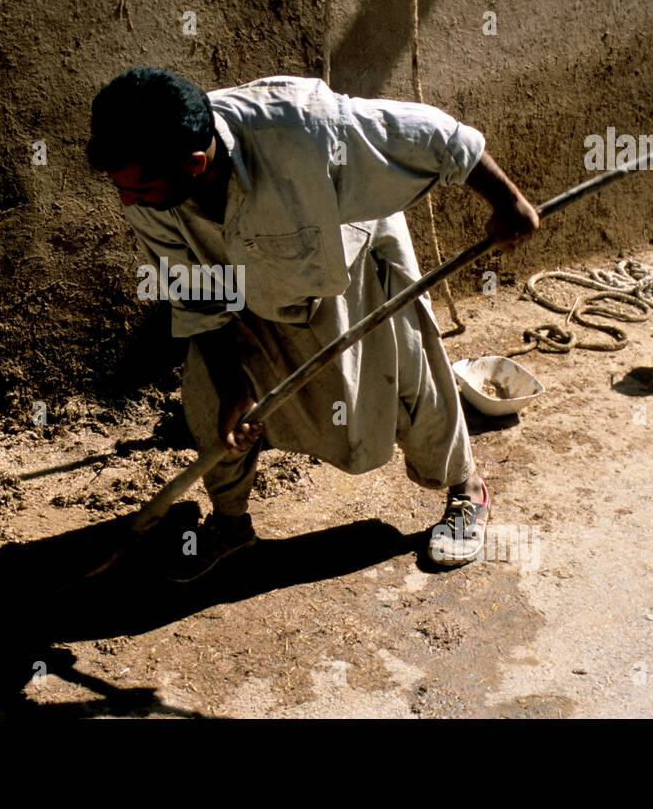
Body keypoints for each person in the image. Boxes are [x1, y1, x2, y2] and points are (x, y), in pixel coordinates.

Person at [87, 67, 539, 581]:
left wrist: (508, 202)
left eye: (138, 188)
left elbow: (441, 137)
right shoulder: (150, 192)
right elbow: (196, 296)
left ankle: (467, 489)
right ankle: (231, 522)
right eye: (121, 188)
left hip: (346, 267)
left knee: (414, 378)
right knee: (213, 399)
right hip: (245, 291)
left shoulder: (303, 125)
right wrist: (235, 383)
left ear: (194, 163)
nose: (127, 201)